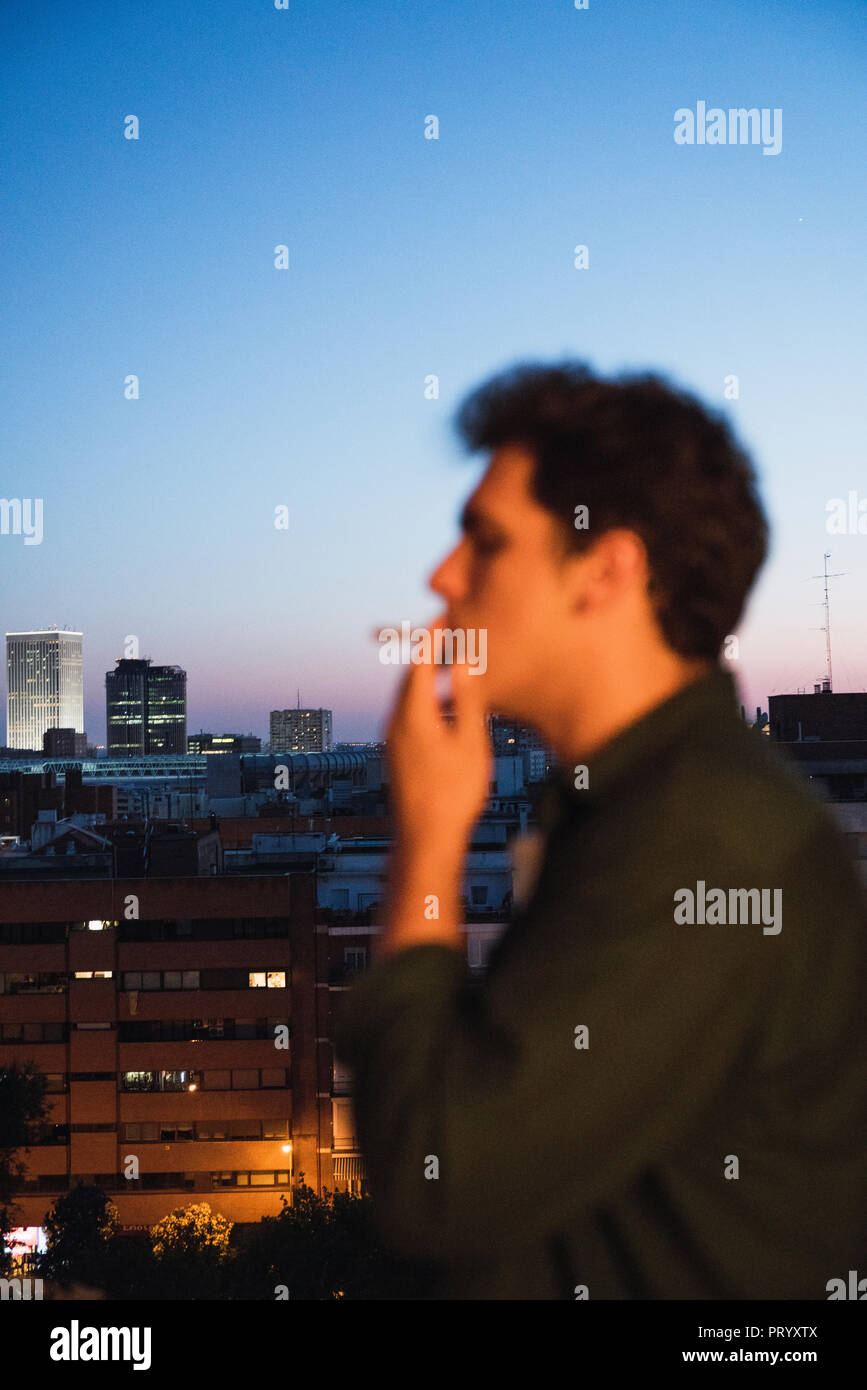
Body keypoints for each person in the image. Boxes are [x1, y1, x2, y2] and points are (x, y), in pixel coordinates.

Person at [334, 361, 867, 1299]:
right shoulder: (644, 808)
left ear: (606, 571)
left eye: (485, 542)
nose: (441, 575)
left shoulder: (700, 837)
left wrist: (426, 834)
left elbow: (438, 1181)